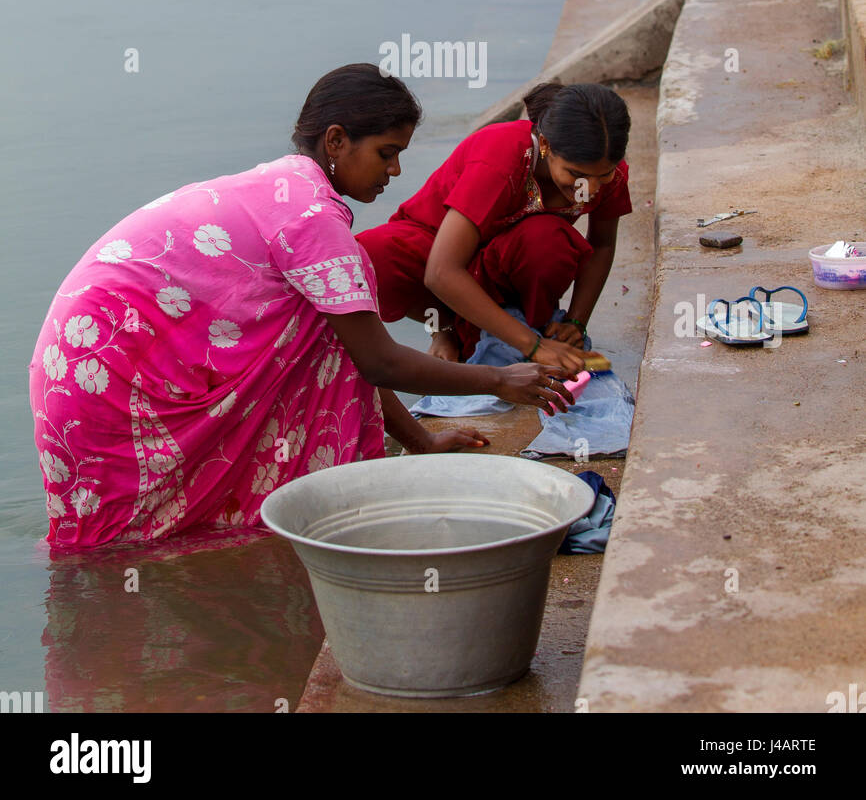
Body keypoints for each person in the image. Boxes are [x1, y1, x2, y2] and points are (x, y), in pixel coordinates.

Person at [29, 64, 570, 550]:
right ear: (336, 140)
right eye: (387, 152)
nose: (397, 172)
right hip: (103, 368)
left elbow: (351, 347)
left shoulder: (290, 190)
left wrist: (421, 441)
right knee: (109, 547)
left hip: (89, 355)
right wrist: (499, 382)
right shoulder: (310, 216)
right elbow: (378, 361)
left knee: (129, 543)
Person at [357, 82, 631, 369]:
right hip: (440, 257)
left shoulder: (607, 174)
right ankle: (451, 329)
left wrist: (576, 321)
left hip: (504, 263)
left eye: (604, 175)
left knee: (546, 240)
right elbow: (441, 271)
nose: (589, 187)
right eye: (576, 174)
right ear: (546, 144)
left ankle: (532, 325)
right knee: (373, 257)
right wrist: (533, 346)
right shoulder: (501, 156)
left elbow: (602, 244)